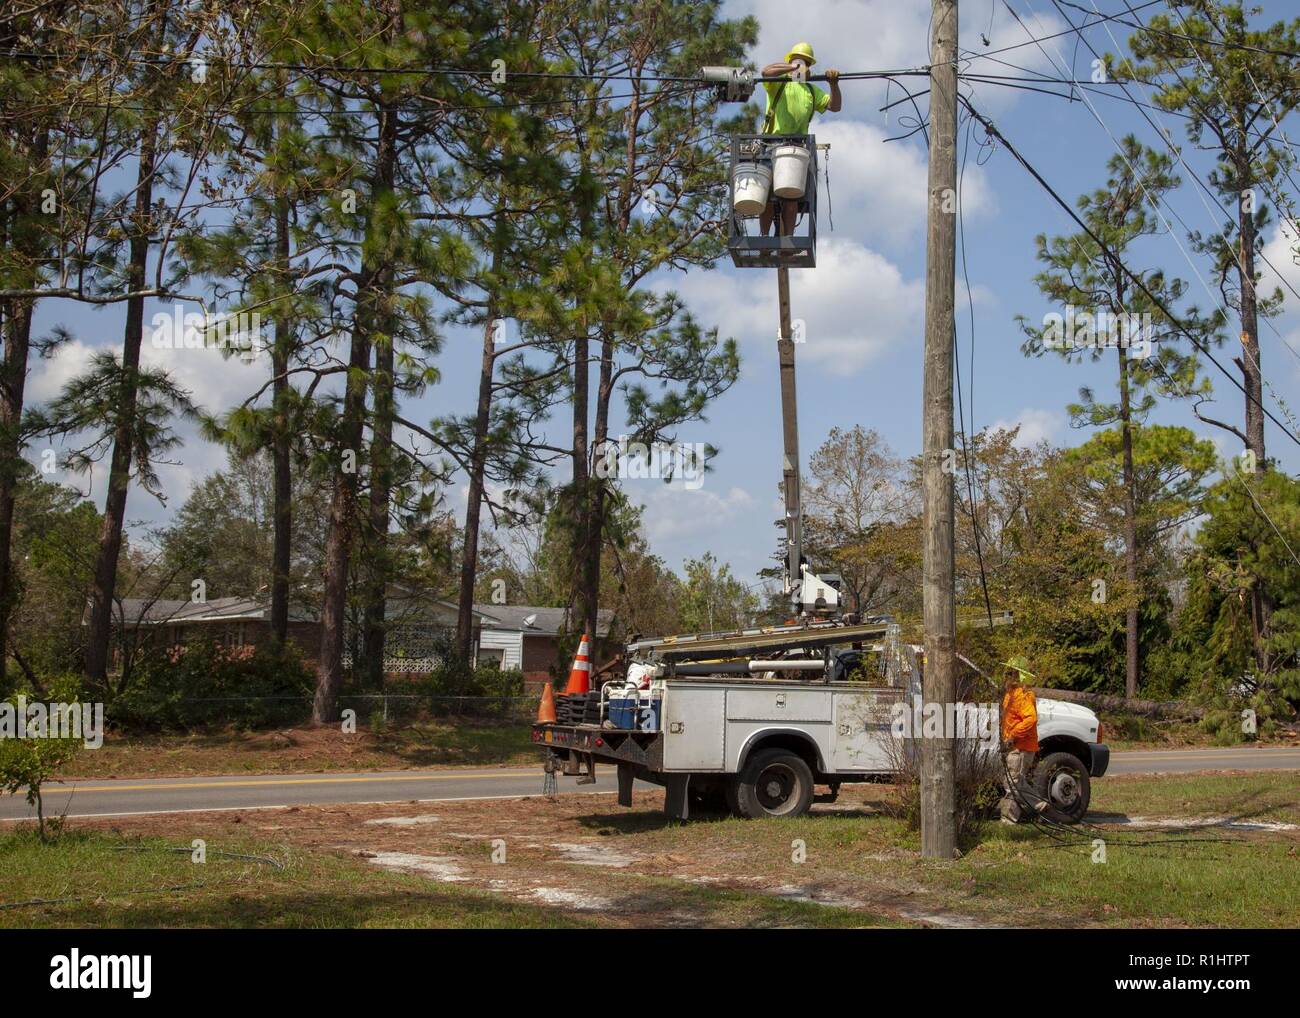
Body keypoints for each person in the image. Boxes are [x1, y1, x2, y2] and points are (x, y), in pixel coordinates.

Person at [758, 42, 842, 238]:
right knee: (768, 195)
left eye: (804, 63)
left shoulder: (811, 91)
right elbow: (765, 72)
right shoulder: (778, 83)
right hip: (771, 143)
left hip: (796, 147)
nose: (801, 66)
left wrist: (834, 84)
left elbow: (835, 106)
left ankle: (787, 239)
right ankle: (764, 236)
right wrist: (792, 68)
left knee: (791, 195)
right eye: (798, 62)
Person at [998, 656, 1049, 823]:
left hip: (1021, 747)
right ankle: (1038, 806)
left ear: (1018, 675)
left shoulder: (1023, 695)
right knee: (1015, 783)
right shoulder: (1011, 694)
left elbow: (1030, 719)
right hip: (1016, 747)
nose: (1007, 675)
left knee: (1012, 784)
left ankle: (1011, 820)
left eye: (1010, 672)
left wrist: (1013, 736)